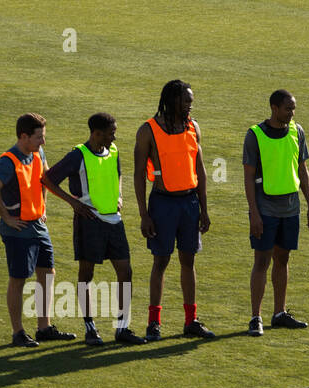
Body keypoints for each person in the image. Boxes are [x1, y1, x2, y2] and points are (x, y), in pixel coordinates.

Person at [42, 112, 145, 345]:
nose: (114, 138)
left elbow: (117, 175)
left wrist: (119, 196)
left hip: (114, 221)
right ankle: (90, 327)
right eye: (111, 134)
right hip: (89, 222)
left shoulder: (114, 152)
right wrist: (74, 202)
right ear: (97, 133)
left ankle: (122, 328)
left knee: (125, 272)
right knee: (87, 275)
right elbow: (48, 179)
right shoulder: (78, 155)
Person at [0, 113, 75, 347]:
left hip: (37, 225)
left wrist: (43, 207)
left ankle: (44, 328)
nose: (43, 142)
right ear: (23, 136)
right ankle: (18, 333)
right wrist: (6, 217)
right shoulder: (8, 161)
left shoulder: (36, 153)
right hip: (18, 229)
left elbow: (45, 178)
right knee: (19, 279)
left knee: (47, 273)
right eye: (39, 137)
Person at [134, 79, 214, 340]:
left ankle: (191, 321)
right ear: (172, 101)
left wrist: (204, 208)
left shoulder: (193, 127)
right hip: (163, 203)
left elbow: (199, 170)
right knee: (161, 261)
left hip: (189, 203)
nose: (190, 105)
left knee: (188, 261)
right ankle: (153, 323)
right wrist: (144, 214)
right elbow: (137, 175)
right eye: (186, 100)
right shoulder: (148, 130)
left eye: (191, 100)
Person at [242, 88, 309, 336]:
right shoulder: (255, 135)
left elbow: (302, 170)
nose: (292, 113)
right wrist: (253, 213)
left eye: (293, 108)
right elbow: (248, 176)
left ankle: (279, 313)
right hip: (265, 209)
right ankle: (255, 317)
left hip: (290, 208)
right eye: (288, 108)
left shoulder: (297, 131)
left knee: (283, 259)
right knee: (262, 261)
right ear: (274, 108)